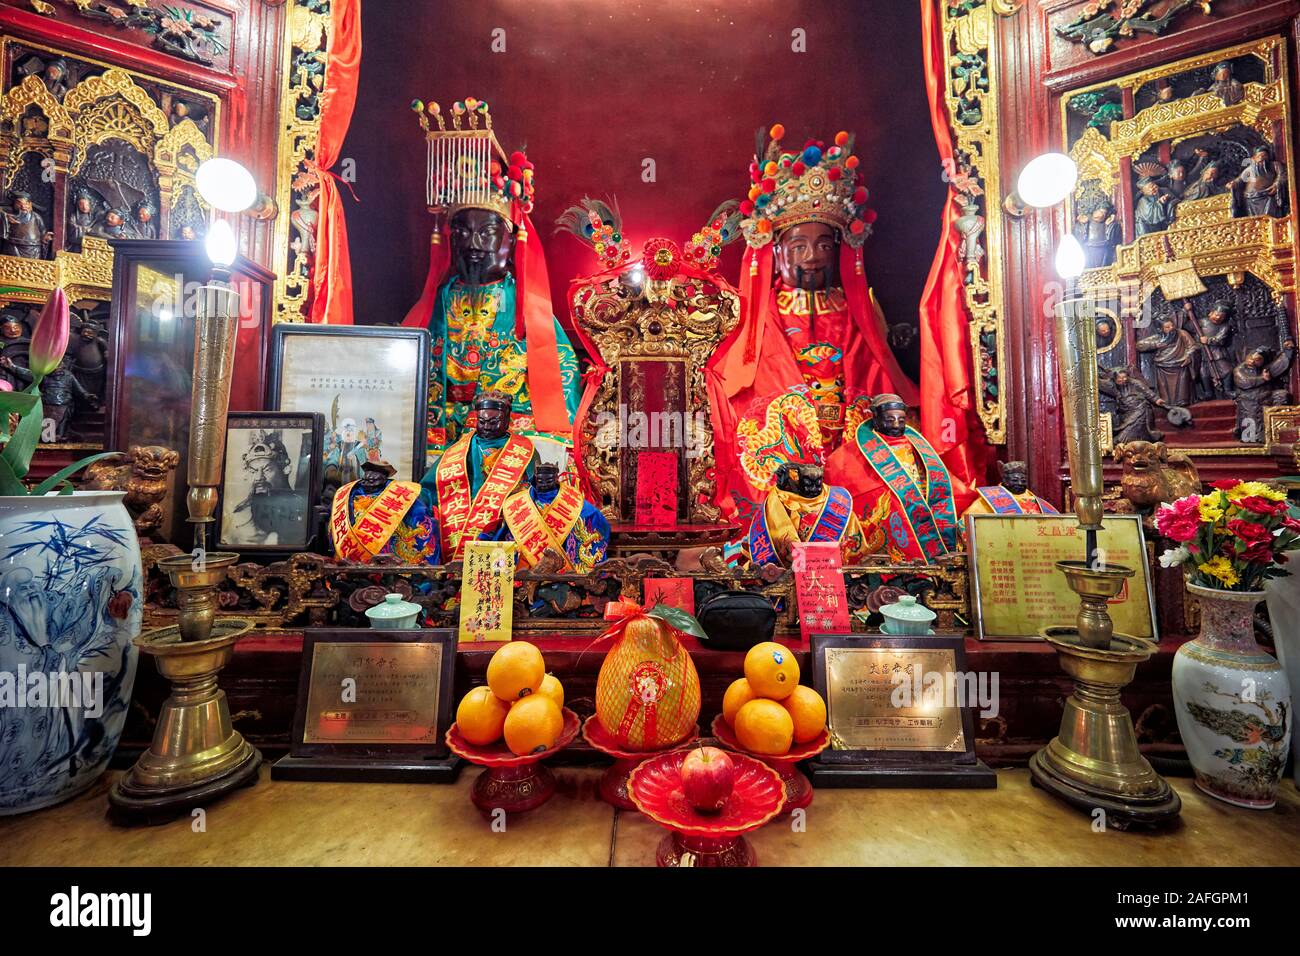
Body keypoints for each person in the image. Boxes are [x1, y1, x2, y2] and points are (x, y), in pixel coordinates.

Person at [710, 125, 916, 521]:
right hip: (787, 441)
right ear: (777, 250)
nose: (813, 256)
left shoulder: (857, 309)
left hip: (850, 435)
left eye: (824, 245)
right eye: (799, 245)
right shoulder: (758, 312)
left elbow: (873, 376)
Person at [402, 99, 580, 457]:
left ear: (512, 239)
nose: (473, 244)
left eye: (487, 232)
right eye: (462, 232)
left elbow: (558, 403)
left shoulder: (532, 317)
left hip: (502, 449)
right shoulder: (431, 311)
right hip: (436, 445)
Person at [825, 393, 965, 565]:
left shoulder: (918, 446)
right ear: (875, 418)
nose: (896, 425)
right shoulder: (848, 455)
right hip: (894, 529)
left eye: (901, 419)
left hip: (929, 517)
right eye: (890, 420)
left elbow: (944, 484)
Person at [422, 390, 535, 561]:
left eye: (494, 421)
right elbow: (431, 486)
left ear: (507, 420)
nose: (487, 426)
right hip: (461, 515)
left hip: (504, 517)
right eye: (482, 421)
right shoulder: (461, 449)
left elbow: (534, 488)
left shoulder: (522, 449)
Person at [749, 460, 869, 568]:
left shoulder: (835, 502)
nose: (813, 489)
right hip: (788, 573)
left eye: (818, 484)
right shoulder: (783, 499)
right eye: (808, 484)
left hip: (833, 572)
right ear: (799, 480)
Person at [502, 461, 610, 573]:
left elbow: (592, 515)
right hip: (528, 562)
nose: (543, 484)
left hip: (562, 561)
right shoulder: (523, 500)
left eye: (548, 481)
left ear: (556, 479)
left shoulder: (570, 499)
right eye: (540, 481)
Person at [330, 459, 440, 564]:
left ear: (384, 478)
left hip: (386, 541)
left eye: (373, 479)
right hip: (354, 543)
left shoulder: (398, 492)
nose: (369, 481)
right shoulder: (352, 491)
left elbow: (419, 512)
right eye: (366, 478)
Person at [227, 431, 306, 547]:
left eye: (267, 469)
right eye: (253, 471)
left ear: (286, 469)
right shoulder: (239, 515)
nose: (259, 478)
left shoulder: (302, 507)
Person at [1234, 344, 1295, 443]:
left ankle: (1278, 430)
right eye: (1251, 358)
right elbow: (1244, 382)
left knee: (1282, 395)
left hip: (1266, 396)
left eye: (1257, 360)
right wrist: (1262, 379)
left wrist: (1288, 352)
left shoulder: (1265, 369)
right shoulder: (1240, 370)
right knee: (1251, 428)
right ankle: (1252, 437)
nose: (1252, 361)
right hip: (1249, 400)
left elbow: (1279, 365)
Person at [962, 460, 1058, 520]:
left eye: (1023, 480)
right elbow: (967, 525)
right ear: (1005, 480)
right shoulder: (988, 501)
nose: (1020, 483)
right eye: (1015, 480)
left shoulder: (1037, 502)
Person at [1136, 315, 1197, 407]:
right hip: (1163, 367)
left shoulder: (1182, 333)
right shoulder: (1158, 338)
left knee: (1183, 392)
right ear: (1161, 329)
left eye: (1172, 326)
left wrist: (1188, 356)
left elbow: (1193, 346)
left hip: (1180, 365)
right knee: (1165, 393)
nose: (1171, 328)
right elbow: (1139, 345)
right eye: (1167, 327)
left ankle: (1183, 404)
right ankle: (1167, 405)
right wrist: (1155, 345)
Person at [1099, 366, 1167, 443]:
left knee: (1131, 429)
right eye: (1120, 378)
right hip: (1127, 413)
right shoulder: (1112, 385)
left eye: (1125, 377)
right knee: (1127, 428)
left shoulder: (1135, 383)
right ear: (1114, 379)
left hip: (1141, 410)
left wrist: (1156, 399)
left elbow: (1146, 391)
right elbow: (1099, 383)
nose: (1123, 380)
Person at [1193, 299, 1236, 399]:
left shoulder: (1225, 326)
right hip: (1202, 352)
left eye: (1221, 317)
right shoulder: (1202, 322)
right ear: (1210, 313)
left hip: (1217, 352)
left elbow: (1221, 339)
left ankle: (1228, 390)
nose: (1217, 318)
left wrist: (1208, 340)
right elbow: (1188, 326)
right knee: (1204, 373)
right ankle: (1208, 393)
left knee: (1227, 370)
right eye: (1216, 314)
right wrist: (1186, 311)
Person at [1236, 144, 1287, 218]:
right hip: (1250, 199)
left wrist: (1276, 185)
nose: (1262, 158)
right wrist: (1234, 183)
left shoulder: (1274, 165)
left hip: (1267, 196)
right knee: (1254, 219)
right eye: (1259, 156)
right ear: (1254, 158)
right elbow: (1240, 180)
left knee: (1270, 216)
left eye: (1264, 156)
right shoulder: (1249, 169)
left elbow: (1282, 175)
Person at [2, 191, 52, 259]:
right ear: (14, 204)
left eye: (26, 204)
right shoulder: (9, 215)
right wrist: (4, 216)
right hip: (13, 247)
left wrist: (45, 238)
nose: (23, 207)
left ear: (30, 205)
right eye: (19, 203)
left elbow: (42, 232)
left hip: (33, 250)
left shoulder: (36, 217)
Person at [1073, 202, 1120, 269]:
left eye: (1104, 213)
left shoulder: (1108, 222)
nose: (1101, 215)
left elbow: (1112, 240)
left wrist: (1109, 225)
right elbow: (1078, 235)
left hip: (1104, 248)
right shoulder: (1086, 219)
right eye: (1100, 211)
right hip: (1088, 248)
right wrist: (1083, 224)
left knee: (1104, 266)